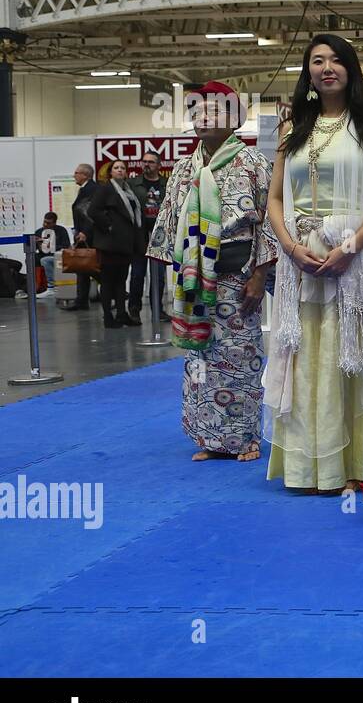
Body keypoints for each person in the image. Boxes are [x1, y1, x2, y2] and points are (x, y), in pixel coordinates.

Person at [263, 34, 363, 494]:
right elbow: (275, 198)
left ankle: (351, 465)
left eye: (336, 60)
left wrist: (350, 248)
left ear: (350, 68)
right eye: (317, 61)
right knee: (304, 356)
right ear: (308, 72)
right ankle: (307, 470)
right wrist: (289, 247)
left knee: (348, 353)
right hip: (299, 261)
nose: (327, 68)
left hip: (352, 259)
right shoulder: (292, 128)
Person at [147, 81, 277, 461]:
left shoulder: (253, 162)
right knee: (199, 356)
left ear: (234, 119)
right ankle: (209, 438)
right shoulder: (184, 167)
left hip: (237, 274)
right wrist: (180, 272)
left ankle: (245, 438)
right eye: (198, 111)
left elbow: (270, 220)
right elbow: (170, 219)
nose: (204, 117)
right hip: (194, 276)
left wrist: (259, 276)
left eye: (215, 110)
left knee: (239, 356)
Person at [87, 159, 146, 328]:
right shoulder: (105, 189)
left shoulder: (128, 191)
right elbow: (93, 210)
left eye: (122, 168)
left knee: (121, 281)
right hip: (110, 244)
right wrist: (109, 226)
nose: (120, 170)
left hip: (126, 244)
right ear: (110, 172)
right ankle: (108, 316)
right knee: (108, 281)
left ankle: (121, 313)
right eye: (116, 168)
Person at [128, 152, 169, 320]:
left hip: (160, 235)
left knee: (158, 276)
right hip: (139, 235)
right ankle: (134, 309)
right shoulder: (132, 184)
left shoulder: (167, 184)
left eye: (151, 162)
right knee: (137, 274)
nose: (146, 164)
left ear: (159, 165)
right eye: (144, 161)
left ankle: (157, 311)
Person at [67, 162, 99, 311]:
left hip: (89, 235)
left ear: (85, 175)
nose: (74, 175)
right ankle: (81, 300)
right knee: (82, 268)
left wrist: (85, 232)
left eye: (76, 173)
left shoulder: (92, 189)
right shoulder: (85, 189)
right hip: (83, 234)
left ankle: (116, 291)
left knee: (91, 267)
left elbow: (91, 213)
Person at [33, 212, 71, 294]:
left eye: (48, 223)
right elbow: (35, 249)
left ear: (54, 223)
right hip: (43, 254)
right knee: (31, 258)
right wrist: (34, 242)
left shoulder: (61, 230)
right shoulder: (38, 232)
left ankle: (52, 286)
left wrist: (50, 245)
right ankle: (35, 285)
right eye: (44, 222)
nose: (45, 224)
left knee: (45, 260)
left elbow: (66, 246)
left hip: (57, 255)